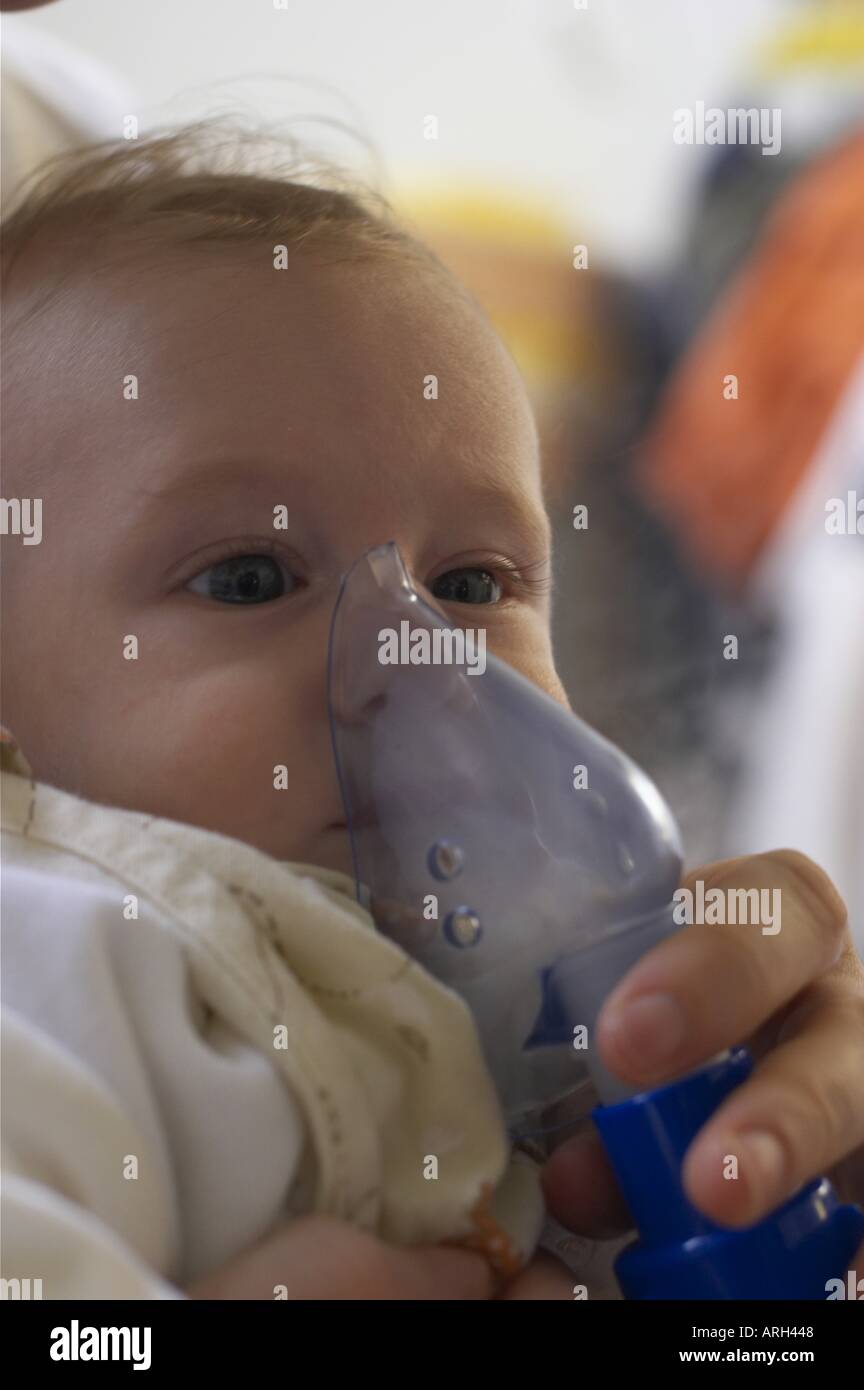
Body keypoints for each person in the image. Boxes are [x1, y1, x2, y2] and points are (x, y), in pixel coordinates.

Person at [2, 128, 862, 1299]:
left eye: (470, 585)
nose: (419, 656)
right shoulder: (58, 966)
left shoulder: (570, 1047)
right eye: (250, 577)